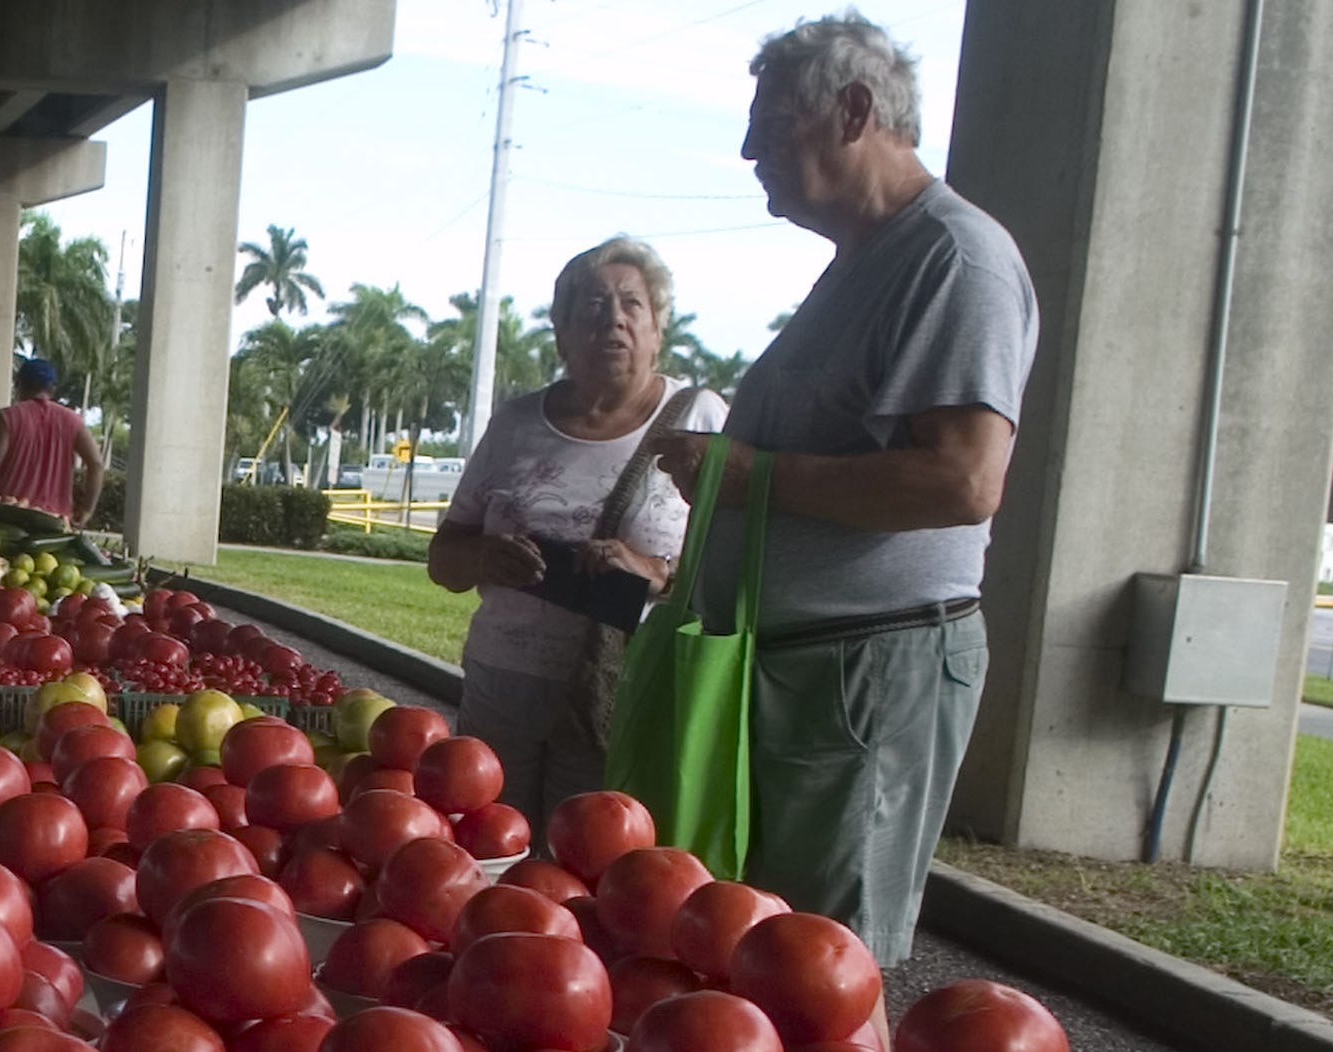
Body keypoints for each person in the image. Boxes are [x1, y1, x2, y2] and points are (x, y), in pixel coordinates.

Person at [650, 10, 1035, 967]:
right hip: (799, 665)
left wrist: (749, 475)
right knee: (764, 946)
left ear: (855, 111)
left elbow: (964, 478)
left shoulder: (955, 257)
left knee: (824, 965)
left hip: (864, 672)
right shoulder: (864, 261)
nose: (752, 152)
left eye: (771, 125)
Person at [427, 238, 728, 823]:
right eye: (591, 305)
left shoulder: (702, 420)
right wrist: (485, 557)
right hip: (502, 688)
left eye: (632, 303)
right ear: (561, 333)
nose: (612, 319)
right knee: (489, 843)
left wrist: (656, 572)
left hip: (625, 691)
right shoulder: (515, 423)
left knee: (597, 851)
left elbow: (739, 564)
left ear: (657, 328)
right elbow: (444, 558)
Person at [0, 357, 105, 522]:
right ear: (52, 388)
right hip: (55, 521)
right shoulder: (73, 421)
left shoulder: (9, 417)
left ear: (20, 385)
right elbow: (96, 464)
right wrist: (87, 510)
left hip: (10, 516)